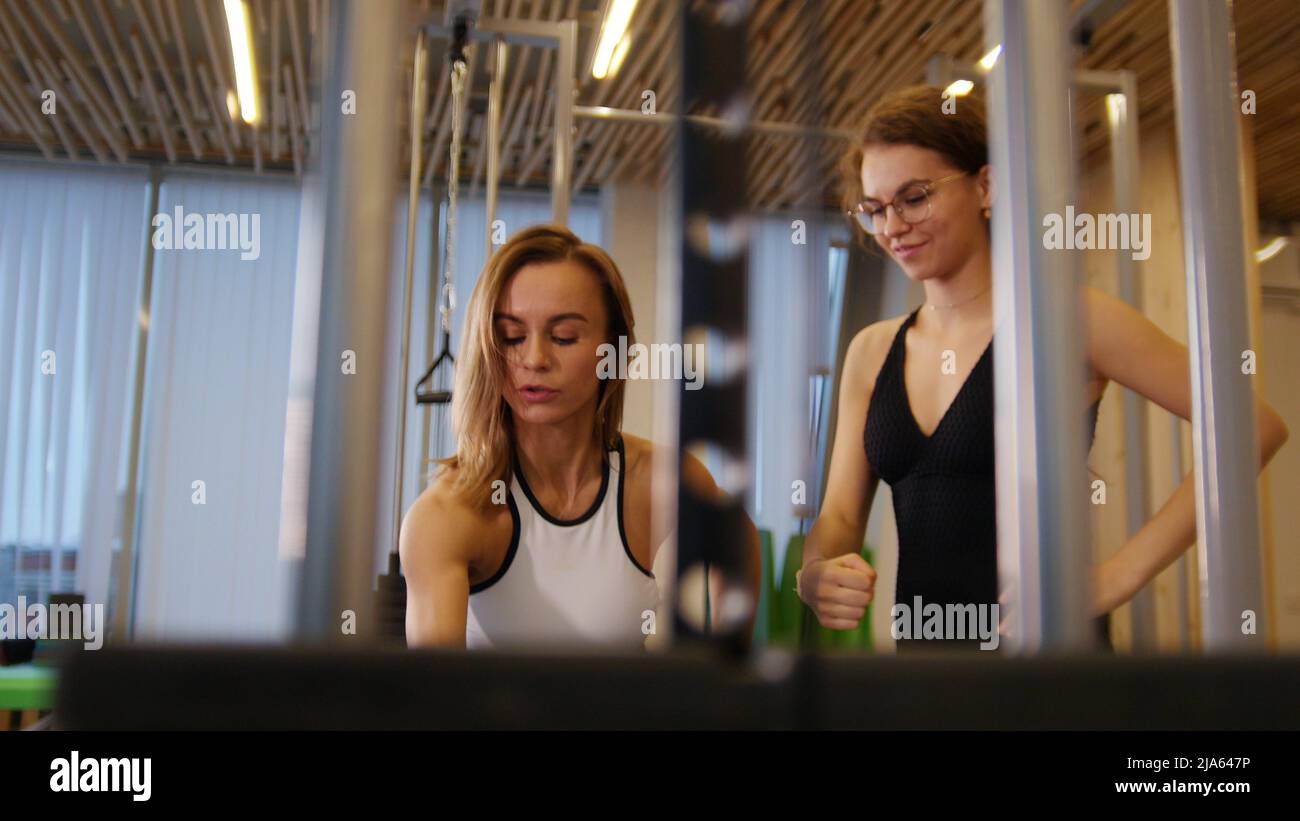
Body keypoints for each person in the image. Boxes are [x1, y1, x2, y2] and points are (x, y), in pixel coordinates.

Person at [798, 85, 1289, 651]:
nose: (892, 227)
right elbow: (838, 514)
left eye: (914, 198)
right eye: (874, 209)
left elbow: (1251, 427)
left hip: (1050, 668)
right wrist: (814, 572)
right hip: (929, 673)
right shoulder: (872, 350)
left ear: (986, 186)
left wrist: (1119, 575)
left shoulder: (1067, 319)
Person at [401, 225, 760, 649]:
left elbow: (740, 543)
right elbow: (434, 703)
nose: (534, 359)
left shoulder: (661, 478)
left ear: (616, 351)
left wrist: (717, 667)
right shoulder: (447, 514)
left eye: (563, 337)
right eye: (512, 337)